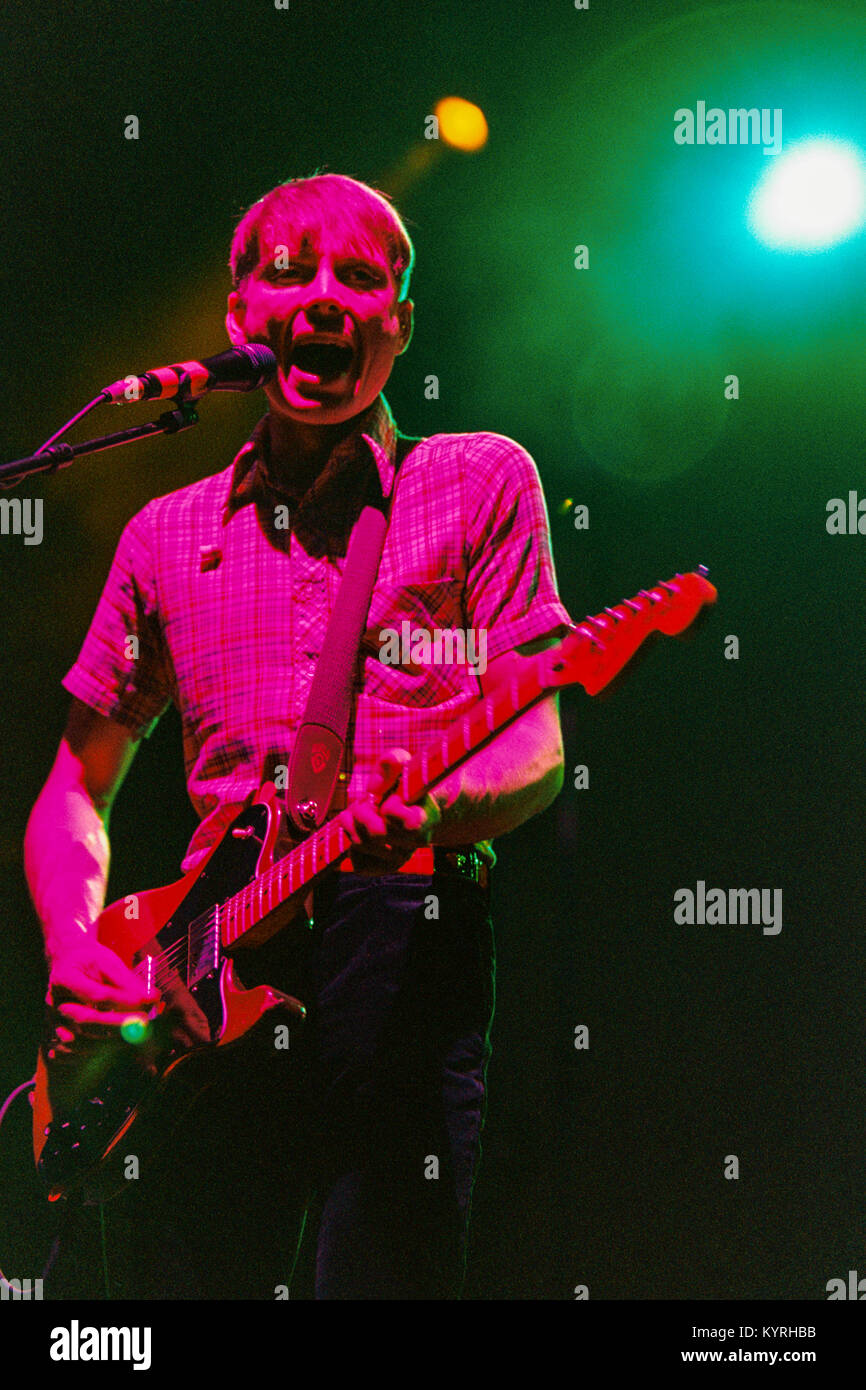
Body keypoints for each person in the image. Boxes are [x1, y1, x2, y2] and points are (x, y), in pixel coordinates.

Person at [23, 172, 572, 1300]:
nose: (323, 297)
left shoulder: (473, 482)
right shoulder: (163, 535)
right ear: (237, 320)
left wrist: (435, 809)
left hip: (402, 928)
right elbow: (76, 784)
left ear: (399, 325)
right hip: (198, 978)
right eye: (289, 273)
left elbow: (535, 745)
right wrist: (76, 942)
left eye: (361, 278)